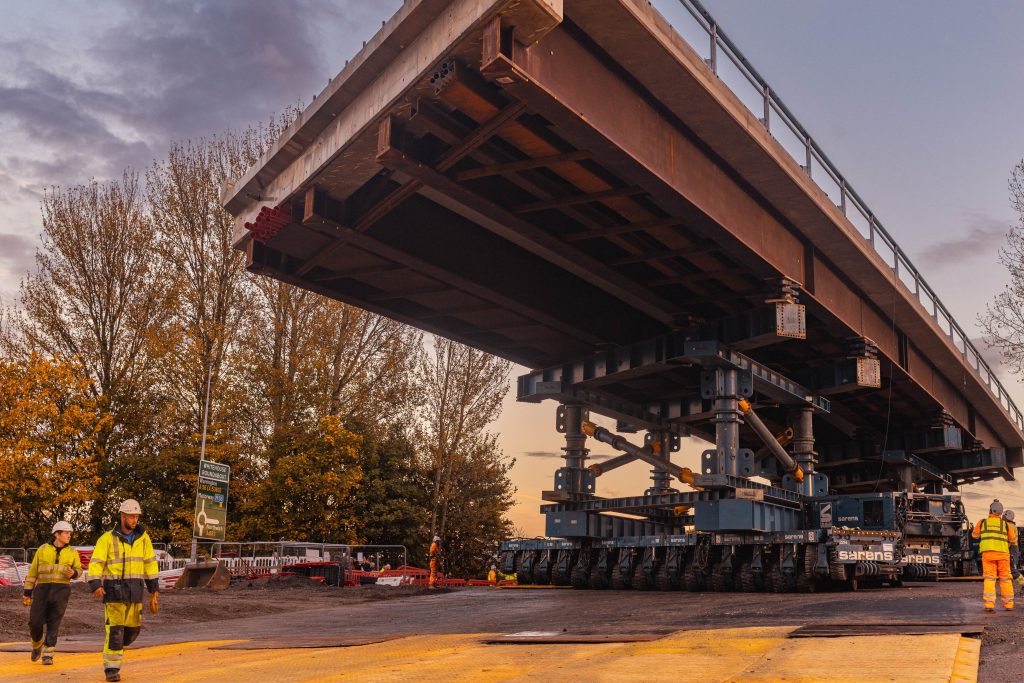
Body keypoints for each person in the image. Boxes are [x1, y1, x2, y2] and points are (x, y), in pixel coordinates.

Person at [87, 499, 160, 682]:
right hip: (114, 593)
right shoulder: (107, 539)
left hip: (135, 591)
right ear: (122, 516)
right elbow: (96, 563)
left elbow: (149, 563)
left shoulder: (143, 538)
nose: (135, 520)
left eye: (137, 516)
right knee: (115, 631)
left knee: (133, 631)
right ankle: (111, 669)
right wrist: (95, 584)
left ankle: (118, 648)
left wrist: (154, 588)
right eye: (132, 516)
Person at [22, 521, 82, 665]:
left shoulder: (73, 552)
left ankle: (48, 654)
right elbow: (33, 572)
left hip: (62, 591)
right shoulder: (43, 549)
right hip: (42, 590)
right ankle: (37, 645)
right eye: (66, 533)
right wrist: (27, 592)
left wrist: (73, 573)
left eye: (70, 533)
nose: (69, 536)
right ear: (57, 534)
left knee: (54, 623)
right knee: (35, 623)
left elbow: (79, 570)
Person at [972, 499, 1017, 611]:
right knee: (1005, 579)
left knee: (990, 579)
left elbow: (975, 536)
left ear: (991, 510)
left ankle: (989, 604)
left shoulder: (982, 522)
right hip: (1003, 555)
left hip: (988, 556)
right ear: (1001, 513)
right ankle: (1009, 604)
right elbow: (1013, 540)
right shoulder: (1006, 525)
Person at [1005, 510, 1024, 588]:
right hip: (1009, 550)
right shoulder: (1013, 526)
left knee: (1011, 569)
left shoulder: (1007, 526)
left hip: (1006, 551)